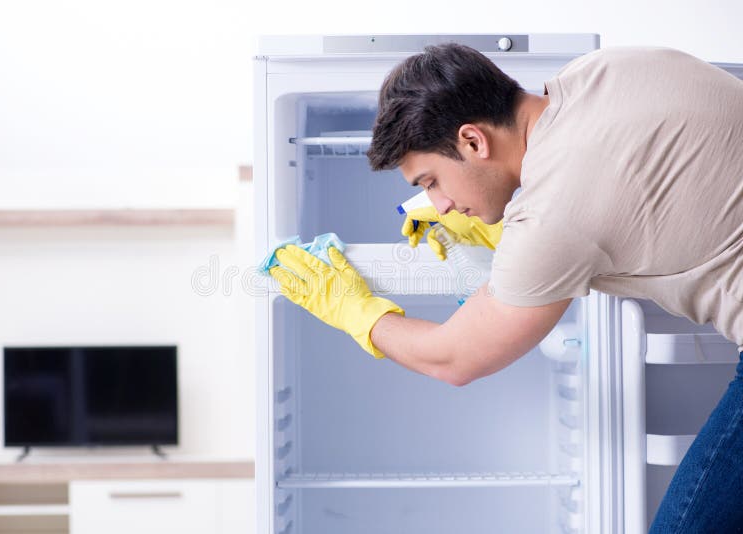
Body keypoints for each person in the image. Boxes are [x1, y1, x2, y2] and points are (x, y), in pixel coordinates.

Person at [268, 43, 743, 531]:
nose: (442, 205)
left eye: (431, 181)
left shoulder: (552, 216)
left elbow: (452, 358)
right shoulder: (605, 69)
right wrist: (504, 227)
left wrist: (355, 312)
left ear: (473, 141)